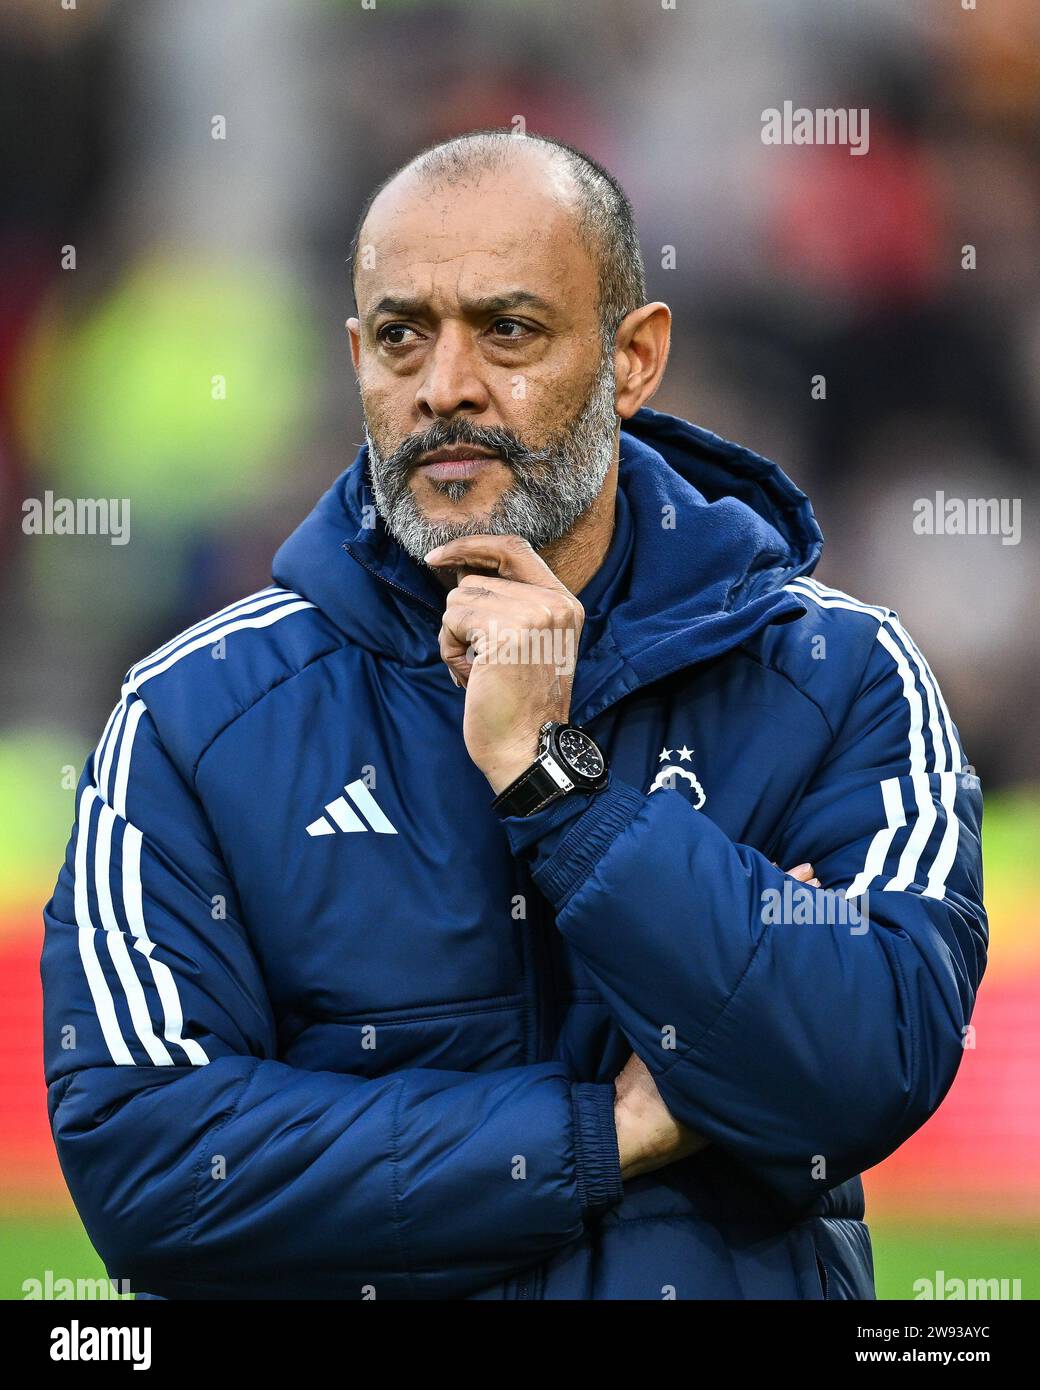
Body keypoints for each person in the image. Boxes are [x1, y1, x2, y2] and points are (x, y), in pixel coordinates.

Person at [41, 129, 986, 1300]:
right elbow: (155, 1172)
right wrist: (602, 1135)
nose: (444, 385)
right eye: (400, 336)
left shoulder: (836, 672)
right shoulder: (191, 718)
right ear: (354, 358)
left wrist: (558, 783)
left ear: (632, 359)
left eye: (508, 330)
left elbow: (861, 1067)